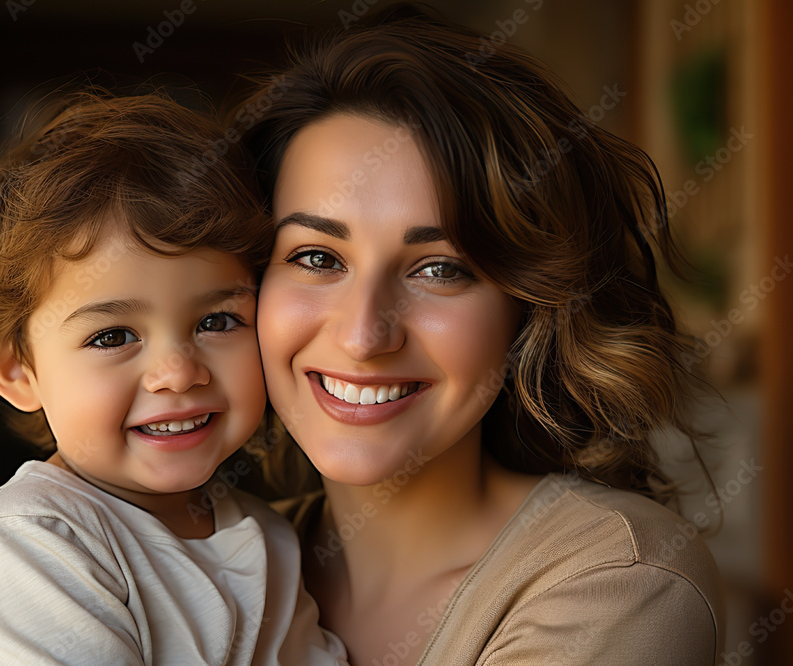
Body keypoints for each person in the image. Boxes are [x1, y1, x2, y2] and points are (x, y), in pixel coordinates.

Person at [231, 4, 724, 664]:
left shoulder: (620, 579)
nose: (362, 334)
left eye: (440, 269)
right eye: (317, 257)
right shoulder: (215, 563)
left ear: (529, 311)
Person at [0, 90, 348, 665]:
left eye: (217, 321)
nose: (177, 373)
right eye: (113, 337)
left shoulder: (270, 535)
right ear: (15, 368)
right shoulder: (31, 548)